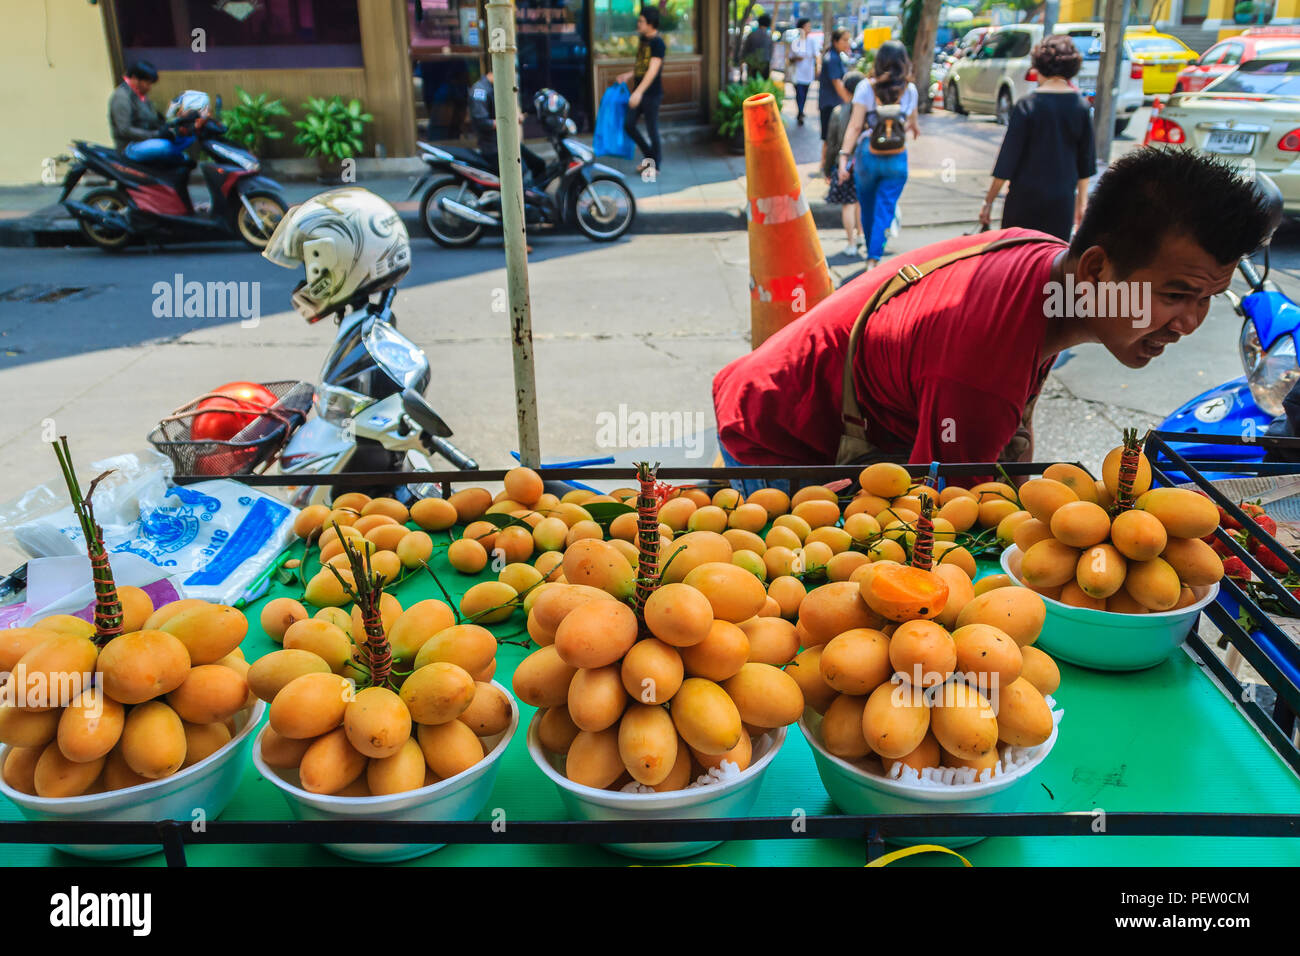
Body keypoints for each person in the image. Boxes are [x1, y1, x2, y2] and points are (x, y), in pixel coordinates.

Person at [712, 149, 1275, 478]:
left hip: (789, 393)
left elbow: (1011, 425)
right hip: (772, 435)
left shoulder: (1048, 265)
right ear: (1098, 270)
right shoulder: (982, 368)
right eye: (1175, 295)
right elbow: (942, 518)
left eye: (1205, 300)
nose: (1188, 324)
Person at [979, 35, 1095, 241]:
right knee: (1051, 264)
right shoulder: (1081, 107)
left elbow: (1007, 160)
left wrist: (989, 201)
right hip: (1061, 203)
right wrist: (1081, 205)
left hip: (1023, 200)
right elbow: (1085, 163)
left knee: (1017, 263)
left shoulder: (1027, 105)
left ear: (1038, 66)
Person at [837, 40, 919, 269]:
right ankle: (874, 257)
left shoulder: (865, 87)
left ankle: (870, 251)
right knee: (886, 207)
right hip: (897, 157)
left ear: (879, 61)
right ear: (904, 62)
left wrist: (844, 157)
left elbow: (854, 126)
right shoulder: (909, 89)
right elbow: (912, 123)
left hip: (867, 156)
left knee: (868, 205)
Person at [468, 67, 547, 183]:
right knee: (522, 176)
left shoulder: (495, 88)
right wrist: (509, 122)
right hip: (494, 147)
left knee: (538, 164)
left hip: (509, 143)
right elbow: (482, 122)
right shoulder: (480, 90)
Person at [821, 71, 866, 258]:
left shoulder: (839, 112)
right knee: (861, 201)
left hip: (844, 164)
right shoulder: (867, 111)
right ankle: (862, 234)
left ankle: (851, 243)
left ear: (846, 91)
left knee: (848, 204)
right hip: (864, 162)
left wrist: (827, 168)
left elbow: (831, 144)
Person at [617, 5, 666, 175]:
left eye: (641, 21)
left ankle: (655, 165)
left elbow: (652, 71)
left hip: (651, 94)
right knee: (629, 125)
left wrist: (638, 92)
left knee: (652, 130)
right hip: (638, 91)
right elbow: (642, 67)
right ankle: (650, 158)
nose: (638, 24)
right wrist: (629, 75)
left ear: (651, 24)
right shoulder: (643, 39)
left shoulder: (658, 43)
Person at [108, 60, 164, 152]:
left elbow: (151, 118)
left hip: (146, 140)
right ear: (134, 79)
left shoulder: (140, 94)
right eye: (147, 83)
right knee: (165, 147)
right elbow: (125, 130)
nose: (149, 87)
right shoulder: (121, 97)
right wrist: (156, 134)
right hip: (130, 146)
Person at [818, 28, 852, 164]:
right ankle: (825, 165)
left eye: (848, 40)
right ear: (835, 41)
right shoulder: (831, 58)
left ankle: (826, 164)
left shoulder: (836, 57)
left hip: (833, 103)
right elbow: (837, 84)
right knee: (829, 137)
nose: (847, 43)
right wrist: (850, 102)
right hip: (830, 104)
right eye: (844, 40)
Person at [788, 19, 821, 126]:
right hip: (797, 73)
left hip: (808, 73)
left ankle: (801, 111)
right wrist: (797, 59)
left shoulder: (812, 41)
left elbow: (817, 55)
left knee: (805, 94)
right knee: (799, 93)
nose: (808, 29)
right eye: (807, 26)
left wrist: (818, 67)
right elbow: (790, 58)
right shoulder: (795, 41)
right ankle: (800, 112)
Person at [740, 13, 774, 79]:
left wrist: (742, 61)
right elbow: (771, 53)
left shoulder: (751, 35)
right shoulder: (768, 37)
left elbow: (745, 50)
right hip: (764, 65)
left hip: (752, 64)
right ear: (768, 24)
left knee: (752, 85)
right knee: (763, 86)